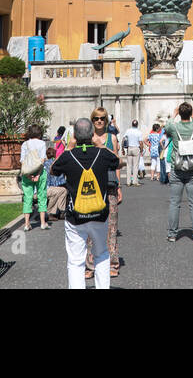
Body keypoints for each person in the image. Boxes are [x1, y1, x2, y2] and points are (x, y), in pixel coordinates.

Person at [51, 116, 121, 288]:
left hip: (75, 215)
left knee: (75, 260)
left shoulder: (68, 156)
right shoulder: (102, 154)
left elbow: (53, 169)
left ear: (74, 135)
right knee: (102, 253)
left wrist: (68, 147)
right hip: (99, 213)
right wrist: (101, 145)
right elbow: (119, 162)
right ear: (92, 135)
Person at [84, 107, 123, 278]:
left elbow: (117, 161)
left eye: (102, 118)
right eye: (96, 119)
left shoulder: (112, 138)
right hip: (92, 186)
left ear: (106, 121)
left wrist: (120, 185)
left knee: (112, 224)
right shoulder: (87, 138)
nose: (99, 121)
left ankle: (113, 262)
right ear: (92, 121)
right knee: (90, 224)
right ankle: (90, 264)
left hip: (109, 183)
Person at [166, 101, 193, 243]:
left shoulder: (174, 128)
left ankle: (172, 234)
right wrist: (191, 113)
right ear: (191, 113)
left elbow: (167, 126)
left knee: (175, 202)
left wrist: (174, 114)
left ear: (180, 114)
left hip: (177, 167)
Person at [20, 125, 50, 230]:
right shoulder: (42, 143)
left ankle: (27, 224)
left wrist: (28, 175)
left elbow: (22, 161)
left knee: (27, 198)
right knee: (42, 196)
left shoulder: (24, 144)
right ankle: (43, 222)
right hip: (40, 173)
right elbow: (42, 161)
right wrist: (37, 175)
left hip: (27, 174)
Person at [45, 145, 68, 219]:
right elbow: (61, 180)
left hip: (48, 186)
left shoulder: (44, 164)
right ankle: (61, 210)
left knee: (61, 190)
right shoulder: (57, 163)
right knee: (63, 190)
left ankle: (59, 211)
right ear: (55, 154)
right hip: (53, 186)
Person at [122, 119, 144, 185]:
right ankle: (135, 181)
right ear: (137, 125)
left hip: (129, 148)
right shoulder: (139, 132)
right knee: (135, 166)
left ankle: (128, 182)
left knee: (129, 166)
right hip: (136, 148)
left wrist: (122, 149)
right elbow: (140, 142)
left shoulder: (128, 131)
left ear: (132, 124)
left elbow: (123, 139)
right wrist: (142, 149)